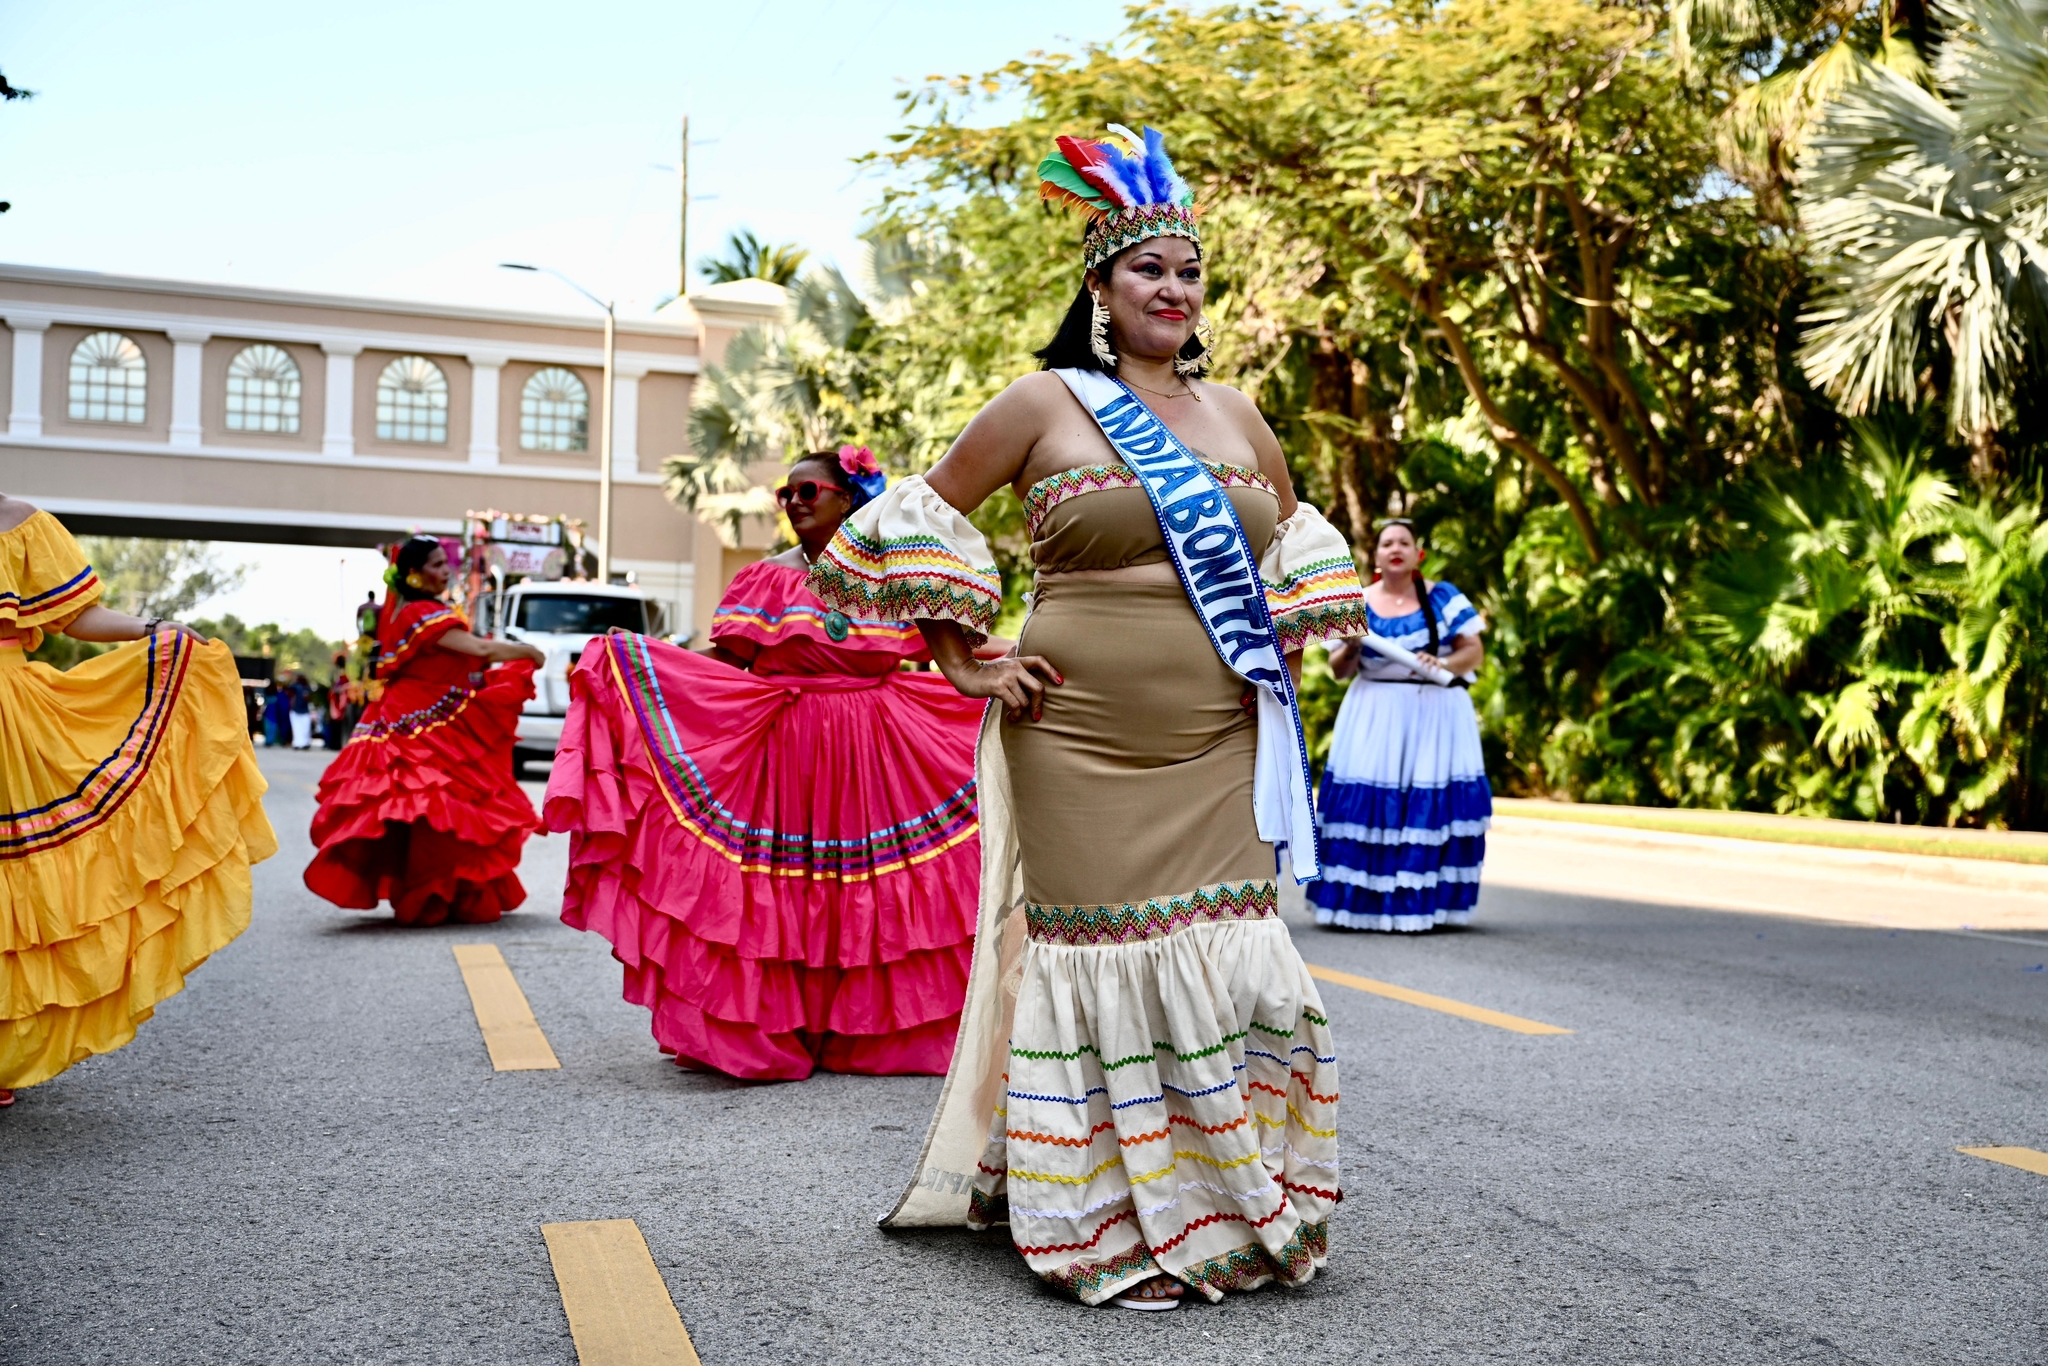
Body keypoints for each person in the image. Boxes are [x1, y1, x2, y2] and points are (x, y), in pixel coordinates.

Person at [805, 127, 1369, 1309]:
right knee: (1101, 960)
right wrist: (959, 655)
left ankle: (1230, 1203)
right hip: (1075, 734)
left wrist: (1294, 654)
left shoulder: (1238, 414)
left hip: (1218, 737)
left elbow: (1297, 549)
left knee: (1233, 965)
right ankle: (1105, 1213)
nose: (1173, 289)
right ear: (1101, 288)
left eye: (1188, 271)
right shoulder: (1043, 401)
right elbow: (912, 516)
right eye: (1147, 270)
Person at [545, 446, 995, 1081]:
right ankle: (775, 1030)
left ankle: (867, 1036)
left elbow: (958, 651)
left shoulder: (895, 572)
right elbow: (720, 665)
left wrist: (1047, 646)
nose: (793, 503)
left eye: (808, 491)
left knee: (865, 886)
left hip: (880, 750)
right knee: (785, 886)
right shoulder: (767, 579)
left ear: (849, 498)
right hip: (785, 750)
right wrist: (636, 666)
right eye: (786, 494)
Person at [0, 494, 277, 1108]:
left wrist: (155, 631)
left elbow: (79, 616)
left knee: (16, 882)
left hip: (11, 717)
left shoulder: (21, 524)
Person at [303, 536, 544, 926]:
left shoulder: (413, 611)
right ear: (413, 575)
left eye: (444, 563)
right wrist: (528, 652)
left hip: (421, 714)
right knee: (435, 806)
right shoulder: (421, 613)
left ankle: (438, 892)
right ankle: (429, 892)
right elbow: (479, 651)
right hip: (423, 719)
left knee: (432, 808)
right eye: (435, 564)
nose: (445, 570)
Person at [1311, 519, 1491, 932]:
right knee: (1371, 800)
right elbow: (1339, 671)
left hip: (1435, 710)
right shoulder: (1356, 600)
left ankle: (1429, 905)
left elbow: (1473, 651)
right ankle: (1361, 905)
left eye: (1404, 542)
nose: (1396, 548)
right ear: (1375, 556)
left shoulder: (1442, 597)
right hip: (1376, 712)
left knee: (1428, 803)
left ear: (1417, 554)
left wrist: (1443, 663)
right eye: (1387, 542)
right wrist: (1353, 647)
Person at [286, 671, 315, 750]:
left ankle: (305, 743)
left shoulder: (307, 687)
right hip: (296, 711)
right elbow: (289, 687)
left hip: (305, 711)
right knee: (297, 729)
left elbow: (310, 696)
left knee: (305, 729)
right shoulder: (296, 686)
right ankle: (297, 743)